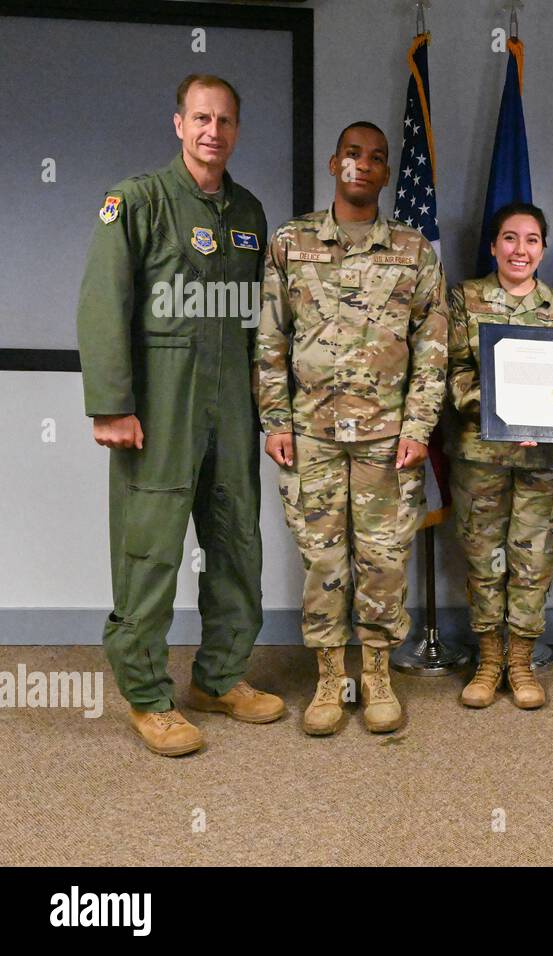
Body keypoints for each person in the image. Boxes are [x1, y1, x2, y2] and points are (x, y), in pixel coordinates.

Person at [76, 74, 283, 757]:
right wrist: (112, 404)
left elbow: (260, 325)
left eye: (224, 120)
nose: (212, 131)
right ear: (178, 124)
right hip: (160, 412)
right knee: (151, 550)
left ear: (236, 130)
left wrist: (269, 410)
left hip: (232, 412)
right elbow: (104, 303)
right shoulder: (135, 201)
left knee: (235, 544)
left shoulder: (250, 213)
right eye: (200, 118)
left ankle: (220, 677)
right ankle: (145, 694)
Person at [256, 121, 448, 735]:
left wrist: (419, 427)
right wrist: (275, 419)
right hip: (309, 434)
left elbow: (433, 349)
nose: (363, 166)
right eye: (353, 155)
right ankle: (329, 679)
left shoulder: (414, 251)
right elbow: (270, 337)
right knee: (322, 560)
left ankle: (379, 675)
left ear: (388, 173)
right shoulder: (292, 241)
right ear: (334, 162)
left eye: (376, 159)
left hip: (388, 439)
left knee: (384, 558)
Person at [449, 202, 553, 709]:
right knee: (485, 558)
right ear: (493, 246)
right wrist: (498, 409)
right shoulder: (465, 300)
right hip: (481, 454)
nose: (520, 250)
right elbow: (452, 370)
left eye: (531, 240)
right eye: (509, 238)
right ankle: (488, 661)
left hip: (544, 461)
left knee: (532, 560)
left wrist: (542, 419)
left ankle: (522, 662)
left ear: (544, 249)